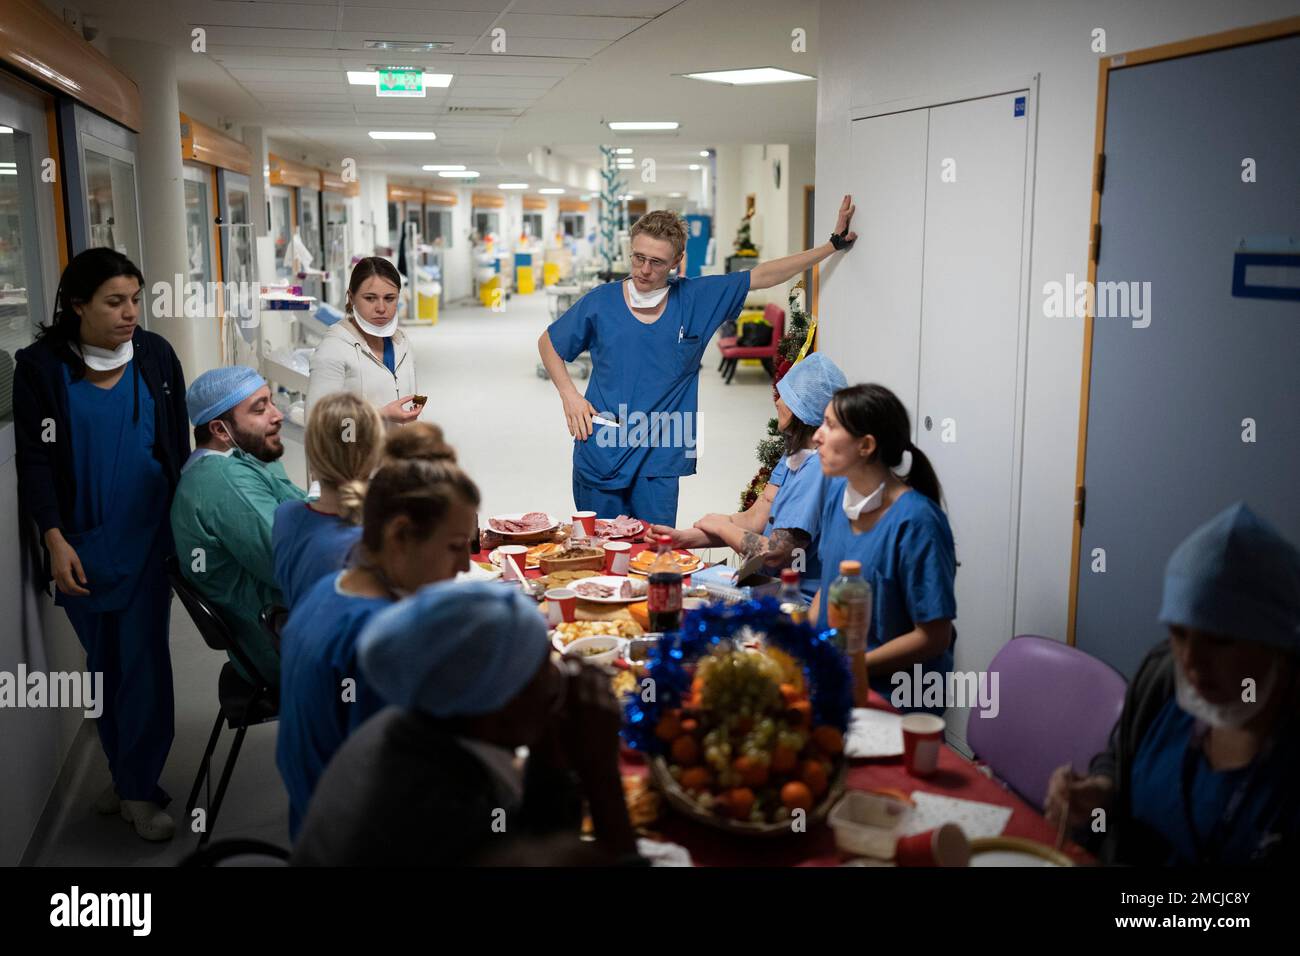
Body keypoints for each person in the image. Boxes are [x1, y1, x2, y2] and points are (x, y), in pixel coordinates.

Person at [538, 198, 859, 527]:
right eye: (638, 258)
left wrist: (831, 246)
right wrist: (569, 394)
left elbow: (764, 275)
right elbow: (549, 342)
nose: (644, 270)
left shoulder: (696, 299)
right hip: (603, 447)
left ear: (677, 261)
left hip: (660, 453)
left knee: (655, 551)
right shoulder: (601, 302)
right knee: (601, 548)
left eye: (657, 262)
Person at [13, 248, 190, 841]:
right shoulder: (39, 368)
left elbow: (175, 447)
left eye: (135, 300)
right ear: (77, 304)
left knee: (144, 665)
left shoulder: (156, 358)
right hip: (81, 545)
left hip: (146, 540)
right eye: (115, 302)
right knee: (102, 667)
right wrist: (53, 538)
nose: (130, 313)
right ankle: (125, 773)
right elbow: (34, 460)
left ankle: (140, 789)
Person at [292, 582, 641, 867]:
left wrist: (548, 746)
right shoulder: (440, 811)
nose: (559, 678)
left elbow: (533, 835)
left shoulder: (414, 722)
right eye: (544, 670)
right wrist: (600, 773)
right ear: (502, 701)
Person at [1045, 503, 1300, 865]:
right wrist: (1102, 790)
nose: (1191, 662)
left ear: (1277, 644)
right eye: (1179, 633)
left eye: (1220, 640)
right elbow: (1120, 759)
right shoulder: (1162, 680)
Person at [276, 423, 479, 837]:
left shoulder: (329, 591)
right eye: (455, 547)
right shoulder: (380, 641)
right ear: (401, 535)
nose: (463, 568)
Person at [648, 352, 845, 599]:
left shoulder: (815, 470)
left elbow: (774, 551)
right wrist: (683, 539)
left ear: (800, 408)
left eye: (785, 395)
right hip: (765, 584)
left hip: (793, 602)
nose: (777, 400)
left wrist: (722, 526)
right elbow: (755, 518)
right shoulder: (794, 454)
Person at [809, 384, 956, 710]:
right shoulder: (838, 495)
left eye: (830, 426)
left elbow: (934, 636)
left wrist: (854, 668)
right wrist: (801, 646)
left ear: (866, 445)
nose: (817, 436)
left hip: (892, 699)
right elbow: (826, 588)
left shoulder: (917, 522)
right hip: (835, 682)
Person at [170, 366, 306, 686]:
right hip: (280, 642)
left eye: (272, 402)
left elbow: (300, 505)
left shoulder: (240, 461)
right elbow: (290, 564)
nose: (277, 415)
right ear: (219, 428)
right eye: (260, 409)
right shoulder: (221, 483)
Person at [271, 392, 383, 609]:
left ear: (312, 454)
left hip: (299, 638)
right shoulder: (369, 544)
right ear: (375, 457)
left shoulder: (285, 516)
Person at [307, 256, 423, 426]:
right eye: (370, 298)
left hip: (400, 450)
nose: (381, 308)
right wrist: (381, 414)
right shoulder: (333, 350)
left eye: (390, 298)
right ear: (351, 297)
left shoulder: (402, 343)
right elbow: (317, 422)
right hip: (357, 451)